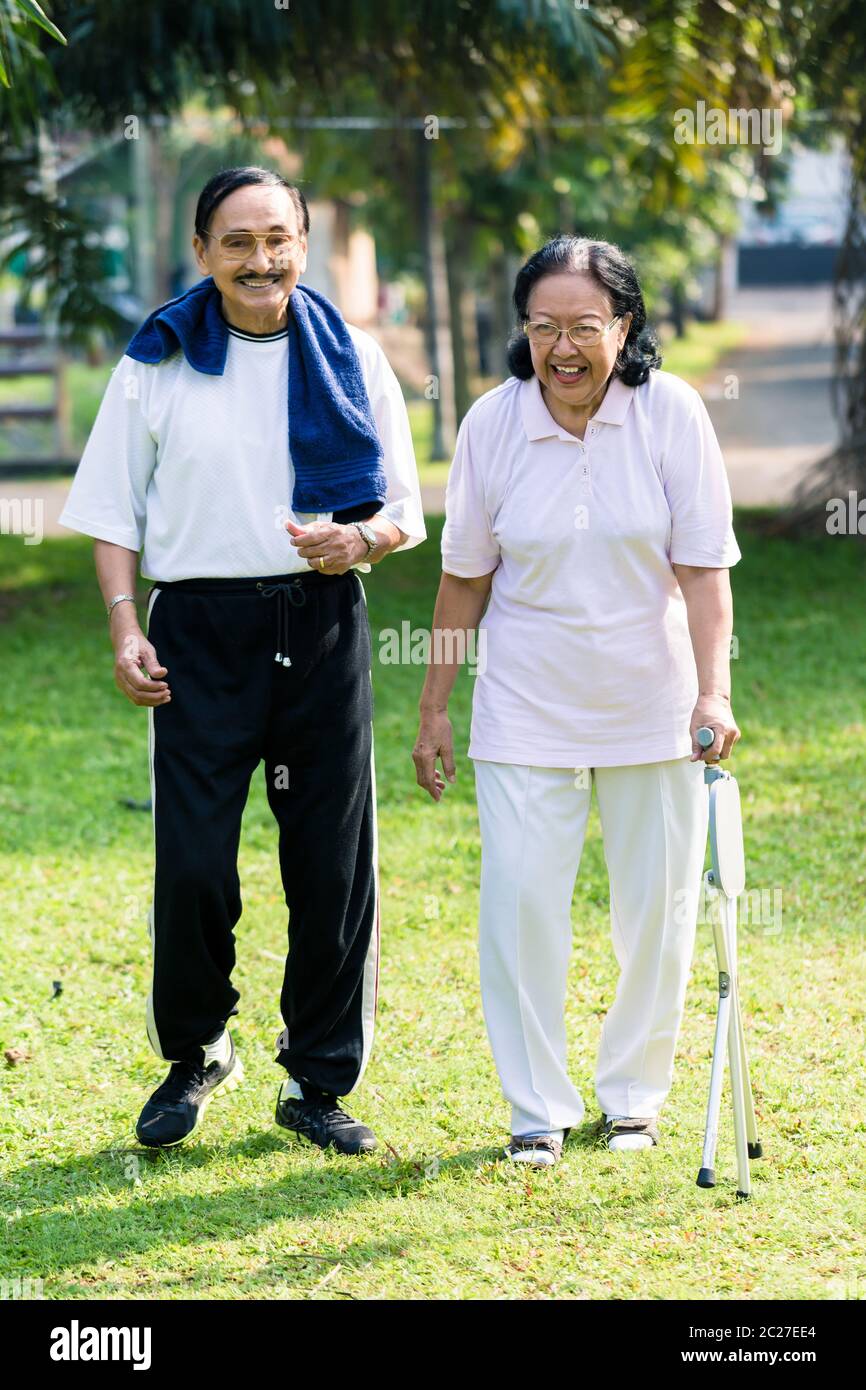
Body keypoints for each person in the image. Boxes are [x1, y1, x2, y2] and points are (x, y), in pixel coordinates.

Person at [60, 166, 426, 1154]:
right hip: (197, 633)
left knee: (329, 859)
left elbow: (404, 507)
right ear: (203, 253)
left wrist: (361, 544)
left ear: (302, 243)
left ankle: (316, 1078)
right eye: (237, 241)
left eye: (277, 238)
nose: (260, 259)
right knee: (191, 860)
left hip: (319, 624)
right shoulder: (157, 360)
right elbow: (109, 512)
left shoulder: (351, 355)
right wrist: (124, 626)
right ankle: (196, 1050)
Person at [413, 235, 741, 1167]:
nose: (563, 348)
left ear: (624, 326)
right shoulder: (492, 424)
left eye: (585, 327)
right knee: (520, 908)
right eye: (544, 327)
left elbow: (705, 570)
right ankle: (535, 1110)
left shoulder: (670, 413)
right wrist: (435, 708)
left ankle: (634, 1098)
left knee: (657, 907)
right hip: (525, 706)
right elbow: (464, 579)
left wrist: (712, 691)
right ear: (524, 330)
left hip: (654, 704)